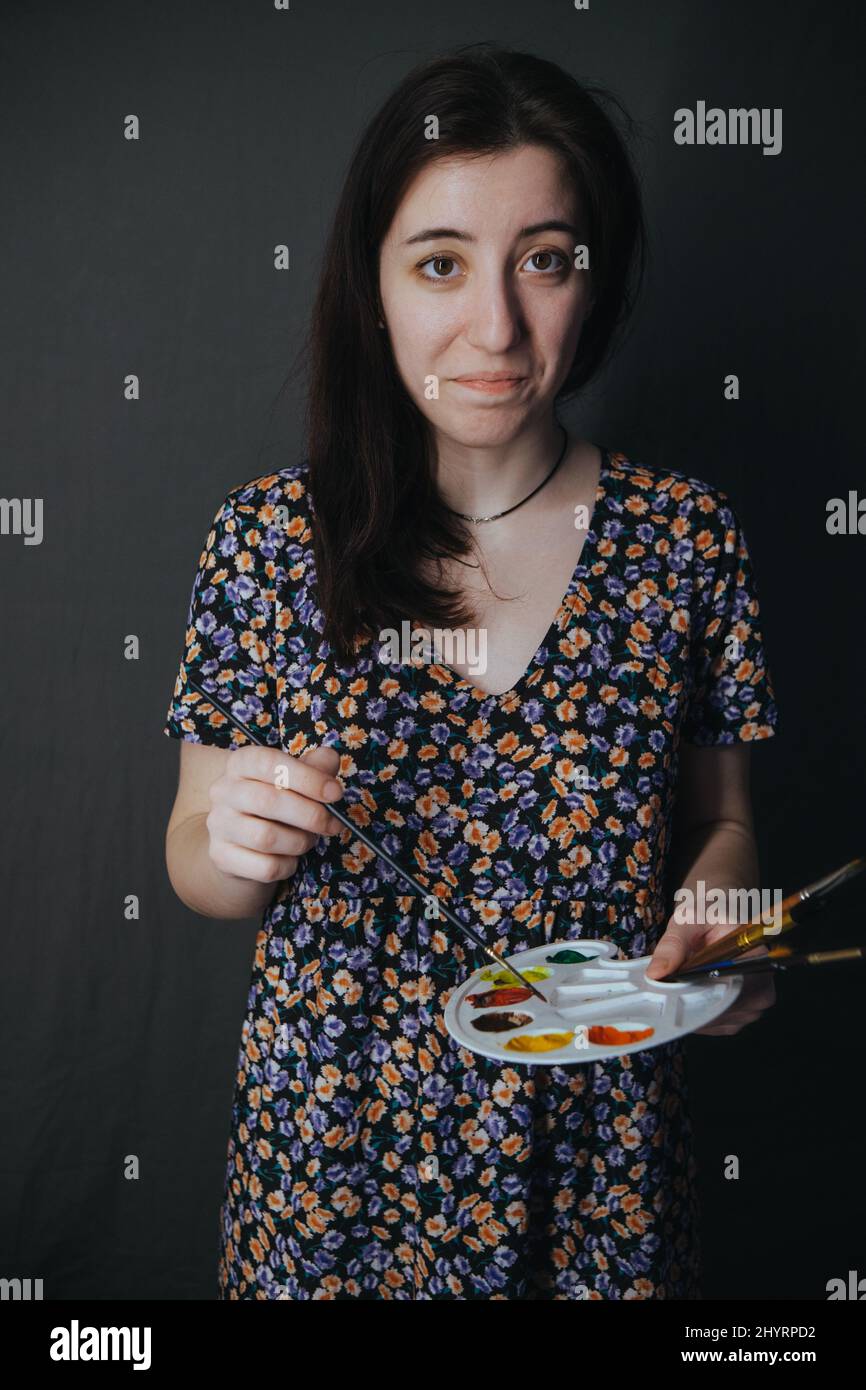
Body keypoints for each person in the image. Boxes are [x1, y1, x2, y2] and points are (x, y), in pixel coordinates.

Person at [163, 42, 779, 1300]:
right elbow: (191, 860)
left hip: (595, 1151)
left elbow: (720, 828)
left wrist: (727, 921)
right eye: (440, 262)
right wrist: (225, 839)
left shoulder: (684, 537)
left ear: (590, 281)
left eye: (542, 260)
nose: (494, 325)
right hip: (331, 1169)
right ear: (373, 285)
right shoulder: (270, 537)